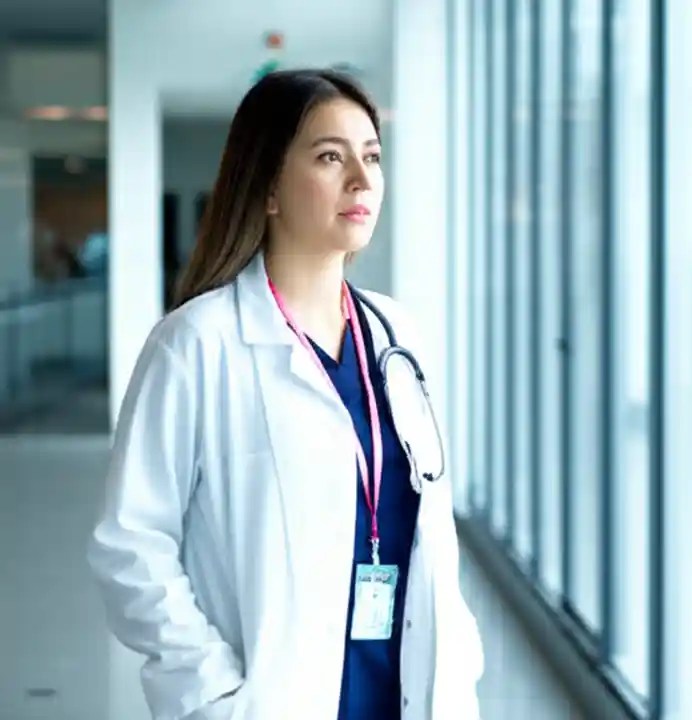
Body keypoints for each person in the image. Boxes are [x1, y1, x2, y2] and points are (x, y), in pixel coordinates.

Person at [86, 69, 484, 720]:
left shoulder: (394, 334)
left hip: (407, 695)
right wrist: (214, 693)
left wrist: (461, 671)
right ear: (268, 186)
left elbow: (431, 533)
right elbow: (130, 544)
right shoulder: (196, 344)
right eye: (331, 156)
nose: (362, 178)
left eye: (372, 155)